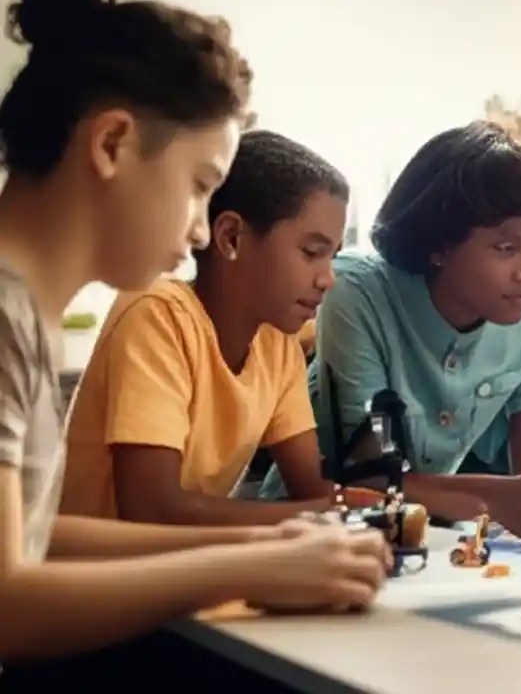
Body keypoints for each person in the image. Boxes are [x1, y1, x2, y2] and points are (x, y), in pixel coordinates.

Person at [0, 0, 387, 666]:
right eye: (199, 186)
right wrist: (246, 568)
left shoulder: (24, 316)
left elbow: (42, 538)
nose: (203, 233)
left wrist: (265, 543)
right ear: (112, 144)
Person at [266, 121, 521, 548]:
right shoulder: (358, 295)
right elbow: (371, 475)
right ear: (439, 245)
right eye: (505, 247)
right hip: (311, 528)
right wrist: (500, 502)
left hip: (430, 536)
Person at [60, 129, 377, 526]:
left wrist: (380, 511)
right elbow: (151, 509)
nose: (327, 278)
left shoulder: (278, 344)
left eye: (332, 257)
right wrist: (315, 515)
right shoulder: (157, 317)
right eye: (312, 253)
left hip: (183, 567)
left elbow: (312, 489)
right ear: (230, 237)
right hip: (101, 575)